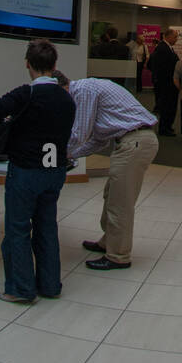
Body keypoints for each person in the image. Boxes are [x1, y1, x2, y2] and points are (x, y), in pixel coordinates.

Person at [0, 38, 76, 304]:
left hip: (26, 170)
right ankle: (50, 284)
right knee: (47, 227)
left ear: (28, 64)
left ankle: (20, 289)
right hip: (54, 171)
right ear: (54, 64)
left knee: (19, 229)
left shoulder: (26, 94)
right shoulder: (66, 99)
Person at [65, 75, 159, 270]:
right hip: (134, 141)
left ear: (63, 88)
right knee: (112, 196)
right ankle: (108, 242)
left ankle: (118, 256)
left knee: (120, 203)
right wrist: (70, 155)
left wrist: (59, 153)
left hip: (134, 143)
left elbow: (79, 133)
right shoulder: (91, 91)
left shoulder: (82, 90)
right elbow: (97, 141)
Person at [149, 29, 179, 135]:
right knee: (166, 106)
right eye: (175, 37)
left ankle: (167, 126)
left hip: (168, 83)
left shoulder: (167, 48)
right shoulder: (162, 49)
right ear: (168, 37)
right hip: (166, 83)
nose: (176, 39)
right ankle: (164, 128)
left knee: (169, 106)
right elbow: (160, 67)